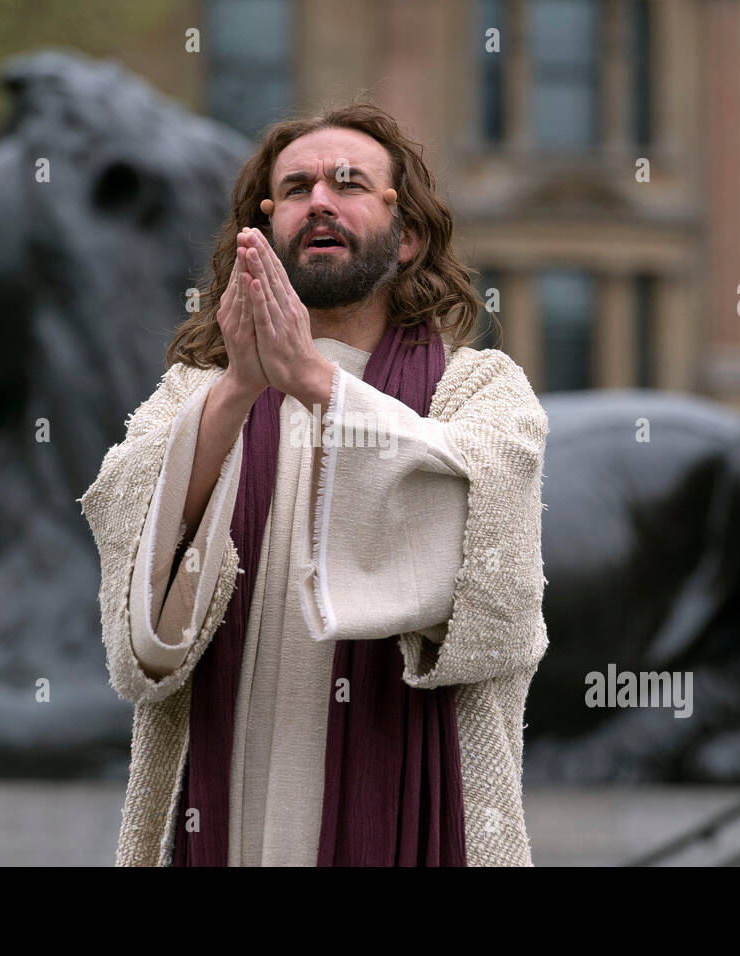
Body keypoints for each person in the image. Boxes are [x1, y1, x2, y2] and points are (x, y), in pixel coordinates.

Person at [79, 103, 549, 866]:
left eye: (348, 183)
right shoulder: (193, 399)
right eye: (294, 189)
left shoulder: (479, 391)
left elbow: (494, 609)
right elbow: (141, 635)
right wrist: (237, 390)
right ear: (258, 236)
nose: (319, 201)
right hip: (224, 821)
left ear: (407, 238)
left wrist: (313, 381)